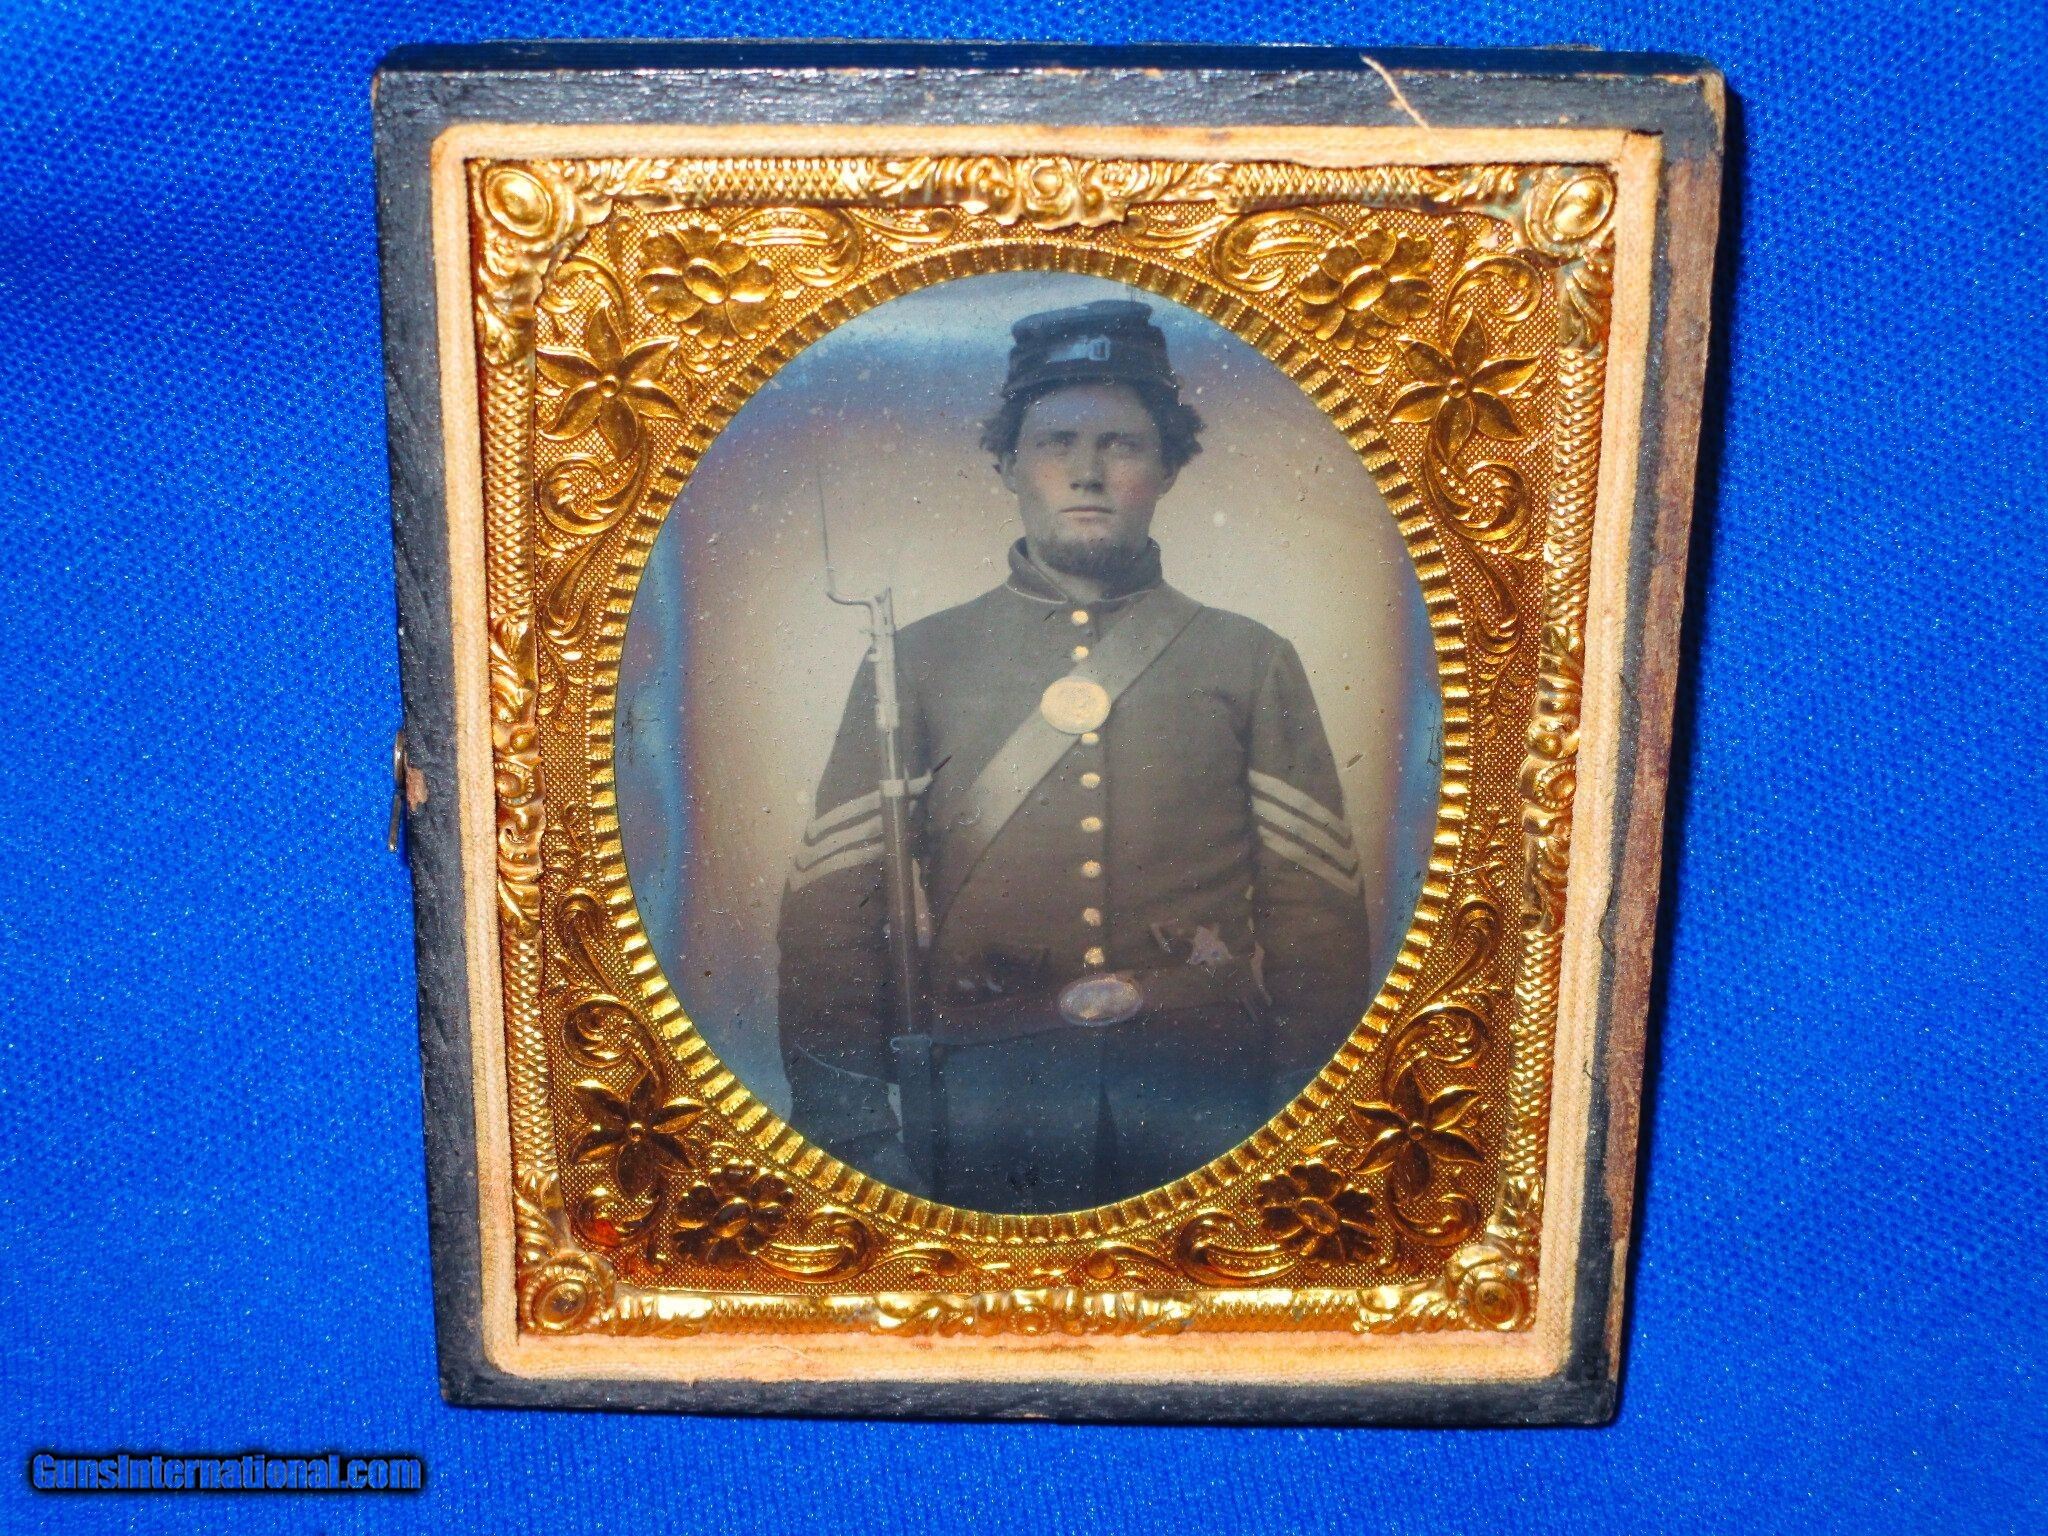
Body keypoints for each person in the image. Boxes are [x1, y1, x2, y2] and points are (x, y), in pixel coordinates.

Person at [775, 298, 1374, 1213]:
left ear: (1169, 467)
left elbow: (1315, 916)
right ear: (1009, 464)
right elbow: (833, 909)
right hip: (984, 1103)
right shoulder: (915, 662)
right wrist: (849, 1125)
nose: (1087, 472)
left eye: (1123, 445)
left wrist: (1303, 1120)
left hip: (1206, 1101)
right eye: (1056, 443)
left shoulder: (1250, 659)